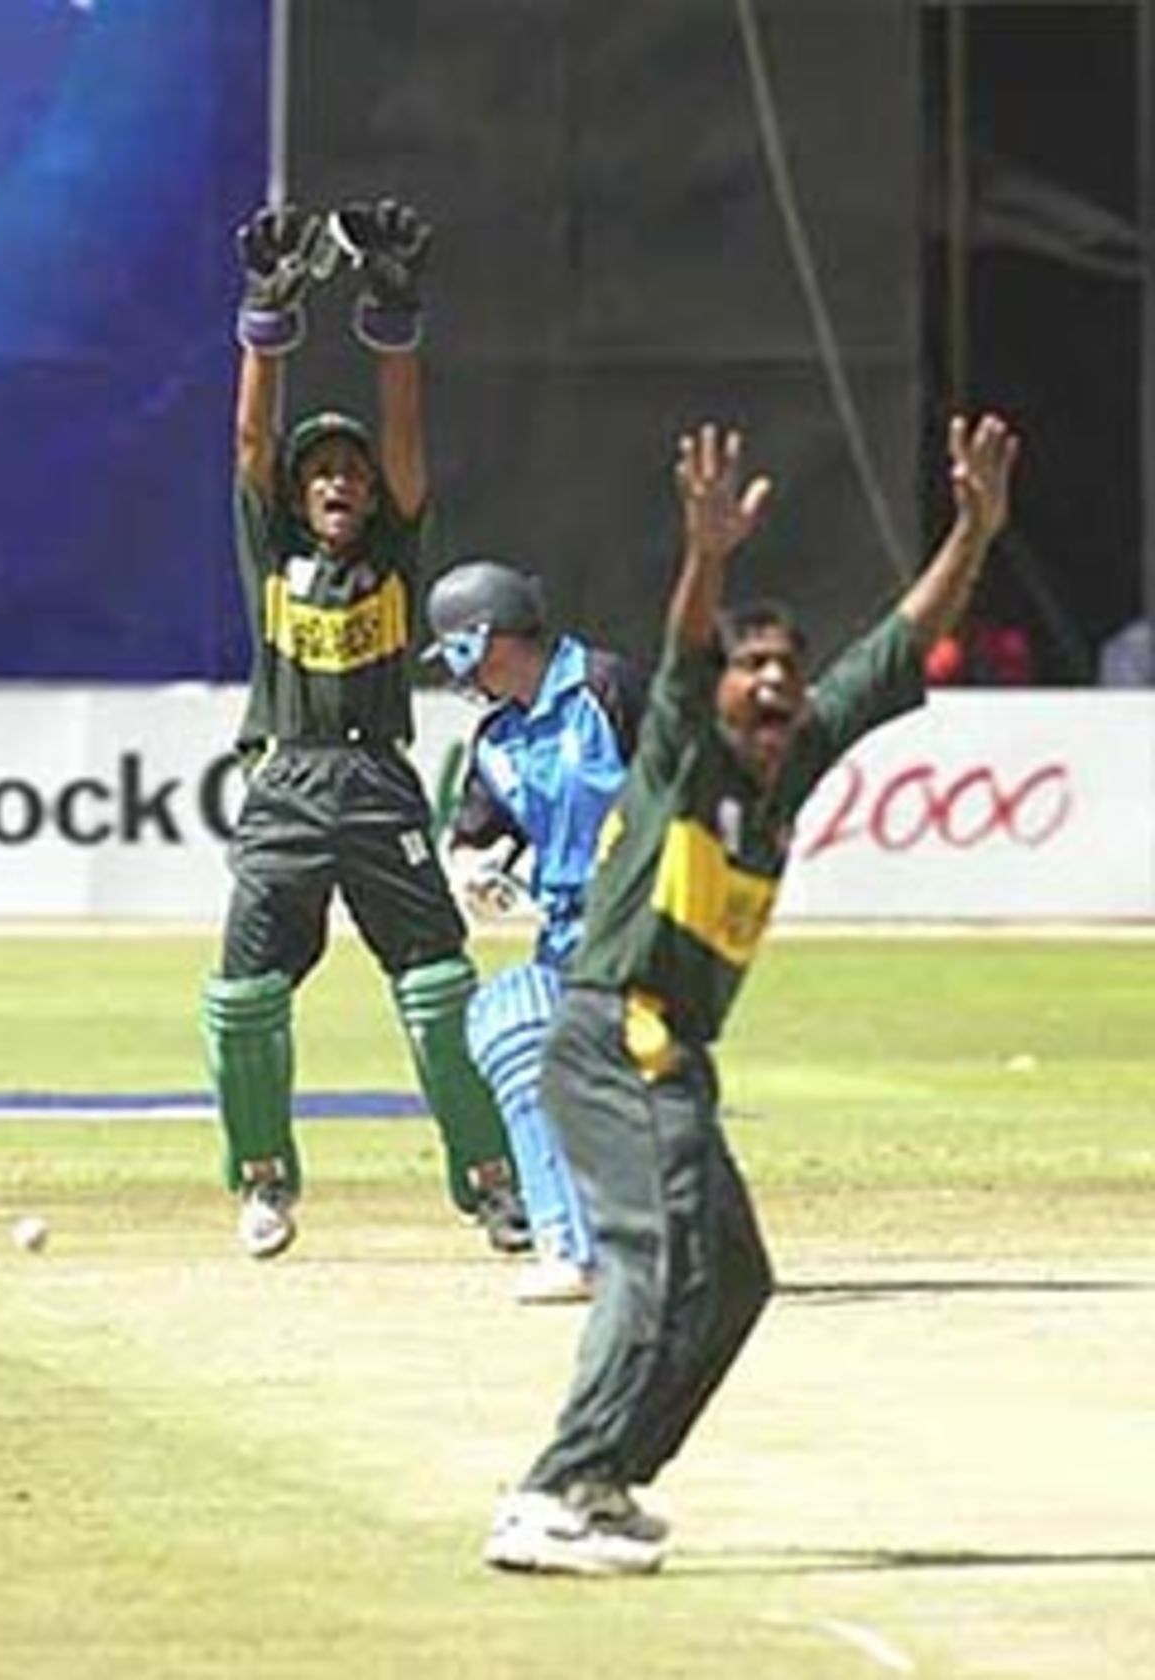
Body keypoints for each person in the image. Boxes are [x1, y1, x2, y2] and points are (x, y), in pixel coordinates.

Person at [484, 412, 1020, 1575]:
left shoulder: (796, 756)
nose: (773, 681)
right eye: (752, 666)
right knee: (661, 1260)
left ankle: (612, 1479)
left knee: (734, 1280)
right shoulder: (684, 744)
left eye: (786, 666)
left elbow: (901, 637)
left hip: (674, 1053)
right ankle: (548, 1492)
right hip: (612, 1035)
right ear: (716, 689)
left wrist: (974, 531)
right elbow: (684, 649)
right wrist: (709, 555)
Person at [200, 198, 527, 1260]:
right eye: (320, 474)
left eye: (350, 473)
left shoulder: (394, 551)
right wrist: (265, 316)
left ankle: (491, 1186)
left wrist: (391, 315)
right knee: (244, 1003)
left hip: (379, 787)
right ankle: (264, 1182)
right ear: (297, 498)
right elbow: (253, 440)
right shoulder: (270, 550)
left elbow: (405, 442)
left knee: (437, 992)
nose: (339, 481)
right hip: (286, 788)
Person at [423, 559, 647, 1303]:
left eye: (451, 646)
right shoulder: (499, 738)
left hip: (648, 922)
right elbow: (473, 835)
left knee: (526, 1030)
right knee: (506, 1024)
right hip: (566, 933)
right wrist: (474, 873)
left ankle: (581, 1247)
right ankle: (601, 1241)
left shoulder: (608, 688)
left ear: (481, 638)